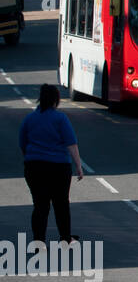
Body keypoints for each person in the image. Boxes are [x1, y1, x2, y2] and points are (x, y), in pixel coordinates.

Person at [19, 84, 85, 244]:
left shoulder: (29, 119)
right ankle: (65, 238)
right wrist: (78, 166)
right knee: (61, 203)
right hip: (58, 167)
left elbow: (23, 143)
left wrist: (32, 158)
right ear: (56, 100)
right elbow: (71, 143)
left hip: (34, 167)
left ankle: (38, 242)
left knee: (40, 205)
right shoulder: (60, 118)